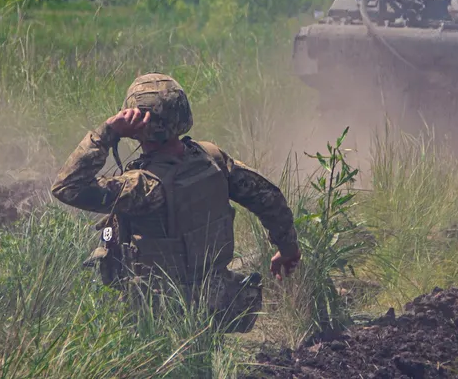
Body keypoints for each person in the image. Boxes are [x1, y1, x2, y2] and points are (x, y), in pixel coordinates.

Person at [51, 72, 301, 333]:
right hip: (216, 303)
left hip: (158, 317)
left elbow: (66, 187)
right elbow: (268, 197)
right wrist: (287, 248)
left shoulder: (143, 186)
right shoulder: (212, 159)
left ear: (137, 126)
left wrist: (106, 133)